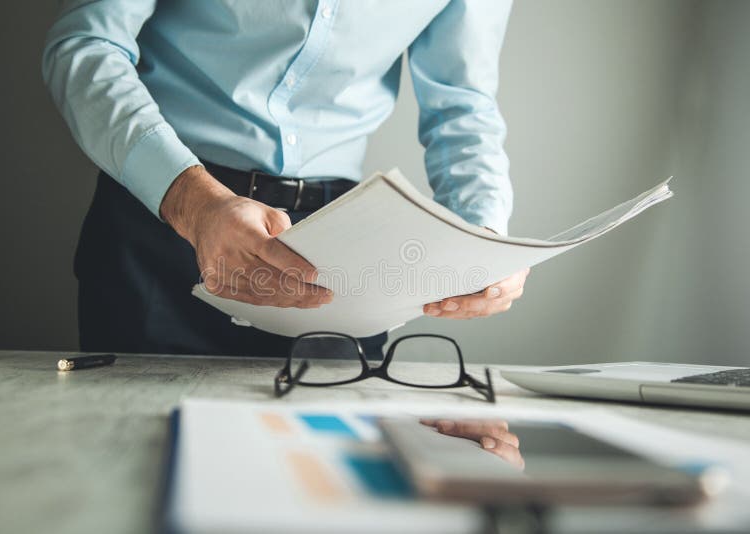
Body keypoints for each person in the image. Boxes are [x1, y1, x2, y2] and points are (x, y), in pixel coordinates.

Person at [42, 0, 529, 358]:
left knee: (330, 458)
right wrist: (193, 202)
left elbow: (463, 106)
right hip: (165, 215)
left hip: (339, 254)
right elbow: (86, 44)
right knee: (134, 452)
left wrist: (484, 237)